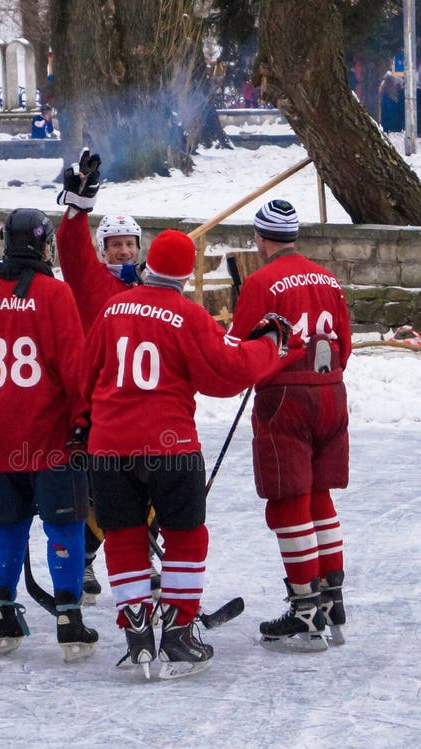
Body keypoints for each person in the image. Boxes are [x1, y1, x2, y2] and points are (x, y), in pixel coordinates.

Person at [77, 228, 291, 680]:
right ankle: (177, 633)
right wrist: (271, 343)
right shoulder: (188, 315)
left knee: (123, 536)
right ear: (187, 272)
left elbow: (85, 373)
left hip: (110, 446)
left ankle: (137, 631)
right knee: (186, 535)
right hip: (170, 446)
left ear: (148, 264)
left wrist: (82, 424)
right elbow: (226, 373)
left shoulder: (113, 309)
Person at [0, 207, 98, 661]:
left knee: (5, 523)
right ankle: (69, 619)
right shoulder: (56, 293)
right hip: (48, 435)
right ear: (43, 245)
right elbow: (73, 364)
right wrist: (83, 419)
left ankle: (1, 611)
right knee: (64, 523)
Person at [227, 199, 352, 652]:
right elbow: (345, 343)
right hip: (332, 392)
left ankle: (305, 607)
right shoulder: (327, 278)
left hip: (286, 397)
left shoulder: (261, 281)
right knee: (320, 496)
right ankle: (332, 599)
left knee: (287, 501)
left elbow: (239, 345)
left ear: (260, 237)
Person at [56, 149, 155, 604]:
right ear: (103, 249)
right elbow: (71, 249)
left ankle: (142, 554)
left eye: (130, 244)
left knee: (152, 483)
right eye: (116, 244)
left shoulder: (151, 290)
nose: (125, 251)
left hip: (146, 404)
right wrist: (79, 207)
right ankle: (86, 558)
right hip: (101, 403)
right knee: (99, 488)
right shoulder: (91, 282)